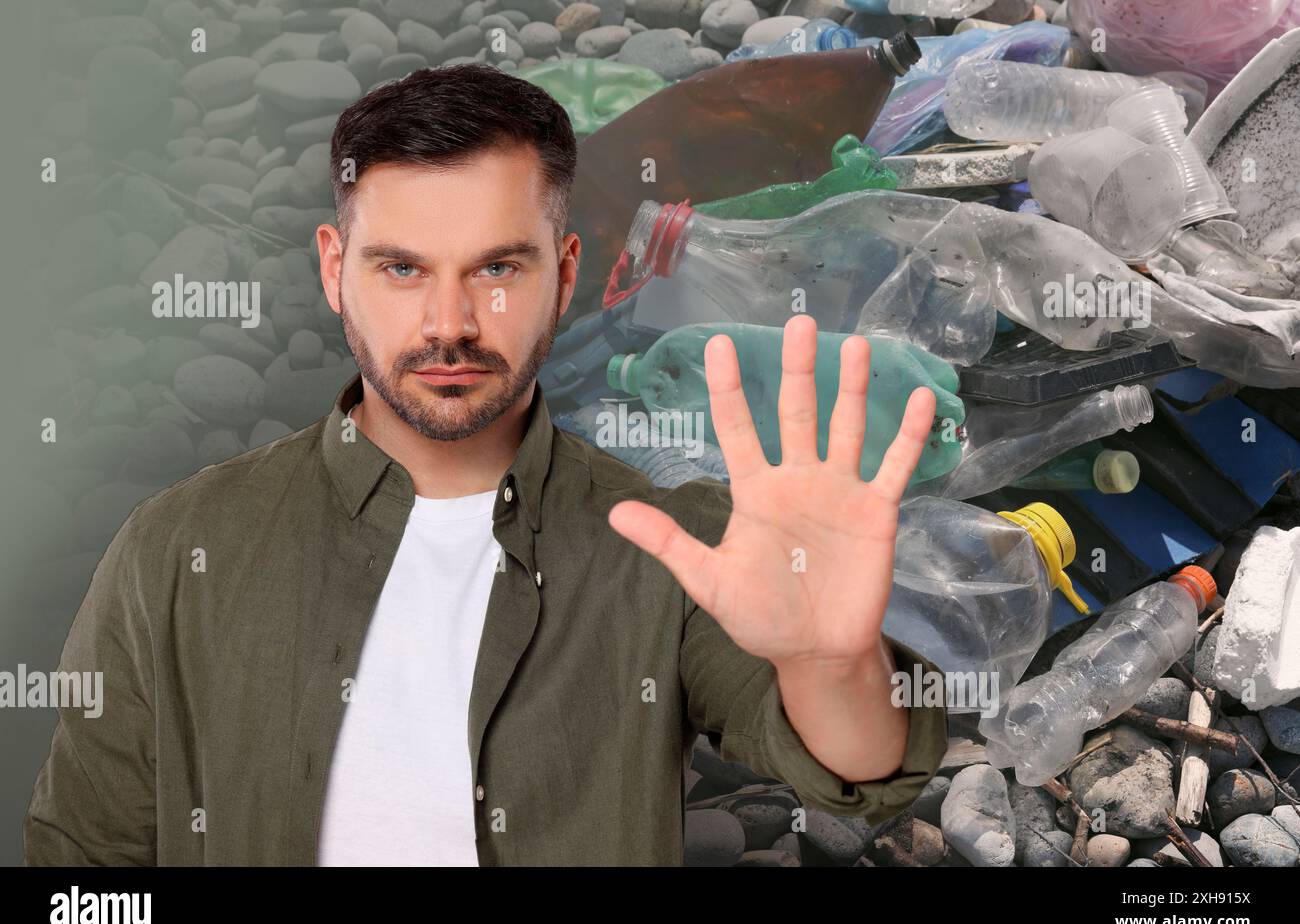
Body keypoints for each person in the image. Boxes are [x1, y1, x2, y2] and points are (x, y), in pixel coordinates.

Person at [24, 64, 948, 866]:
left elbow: (854, 770)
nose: (450, 323)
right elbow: (84, 872)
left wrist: (832, 664)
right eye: (402, 270)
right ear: (333, 268)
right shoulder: (181, 545)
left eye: (498, 269)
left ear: (567, 270)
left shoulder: (670, 544)